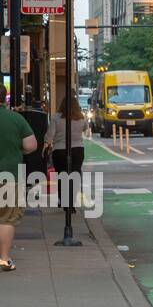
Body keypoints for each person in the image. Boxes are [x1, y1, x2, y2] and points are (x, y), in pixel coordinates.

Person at [0, 83, 38, 272]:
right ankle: (4, 259)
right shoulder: (16, 119)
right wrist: (17, 150)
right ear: (4, 98)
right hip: (10, 175)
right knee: (7, 218)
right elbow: (31, 145)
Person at [46, 79, 86, 215]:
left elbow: (49, 135)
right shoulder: (81, 118)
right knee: (75, 174)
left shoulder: (56, 118)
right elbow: (85, 128)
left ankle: (64, 201)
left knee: (62, 175)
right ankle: (72, 202)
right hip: (78, 149)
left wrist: (46, 144)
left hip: (60, 150)